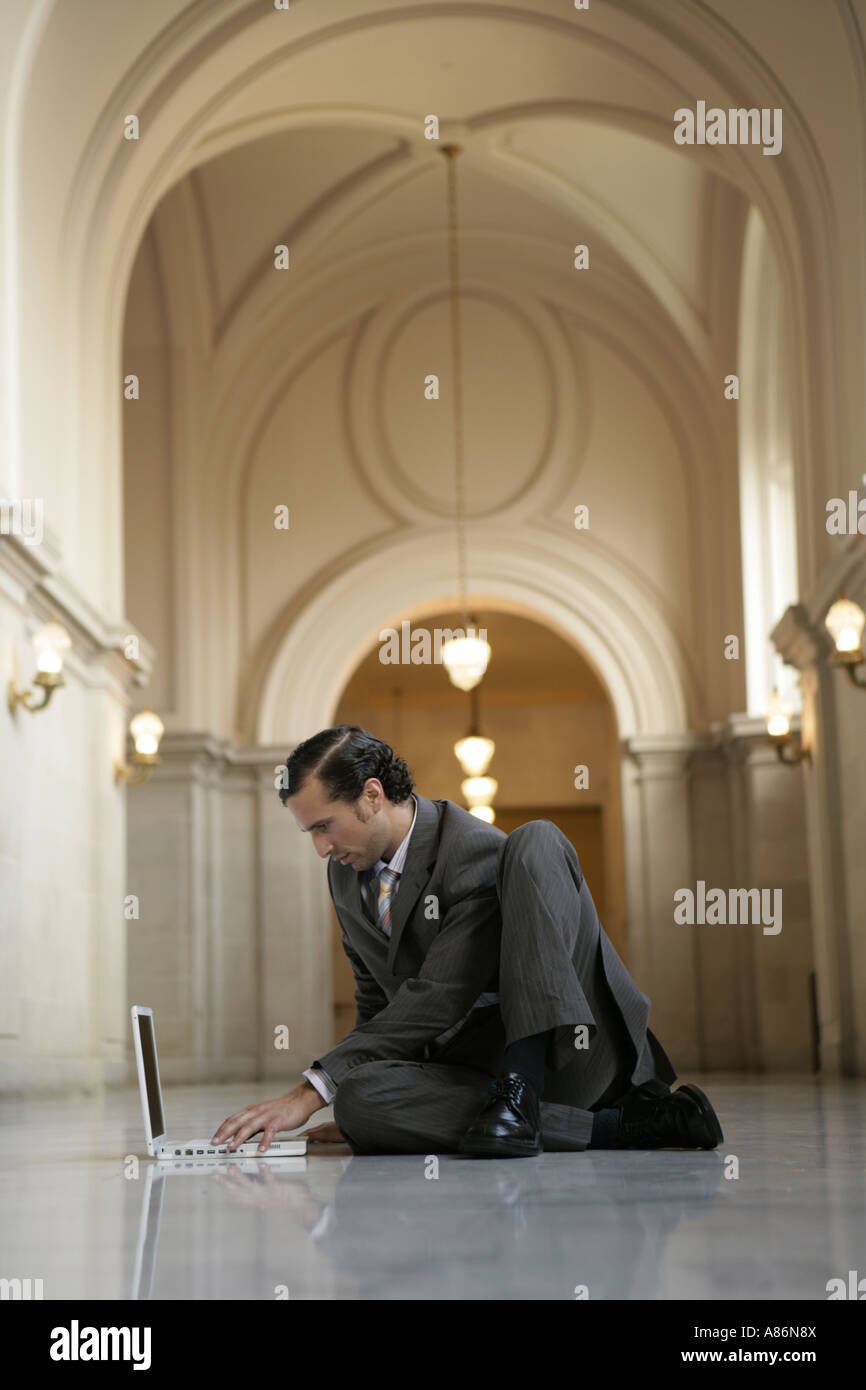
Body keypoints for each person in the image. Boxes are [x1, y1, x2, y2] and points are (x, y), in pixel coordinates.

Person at [211, 726, 723, 1158]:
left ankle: (581, 1107)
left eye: (325, 826)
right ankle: (610, 1128)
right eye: (310, 834)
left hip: (566, 1059)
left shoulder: (471, 850)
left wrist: (309, 1092)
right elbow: (376, 1002)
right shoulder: (347, 876)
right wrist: (356, 1103)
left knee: (537, 839)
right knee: (360, 1099)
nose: (322, 848)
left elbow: (440, 993)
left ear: (371, 796)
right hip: (474, 1074)